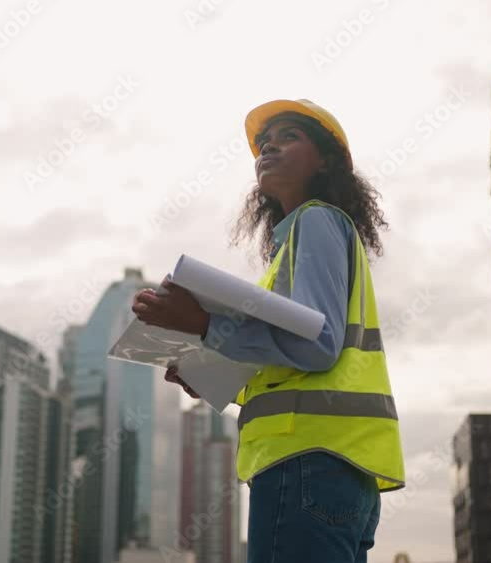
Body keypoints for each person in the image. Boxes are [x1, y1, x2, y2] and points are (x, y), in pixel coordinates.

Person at [131, 99, 405, 562]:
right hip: (338, 471)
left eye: (288, 137)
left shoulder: (315, 221)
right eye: (263, 143)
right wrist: (210, 371)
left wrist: (201, 323)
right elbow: (295, 364)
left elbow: (318, 347)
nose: (268, 148)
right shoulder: (302, 245)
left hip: (303, 463)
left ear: (326, 161)